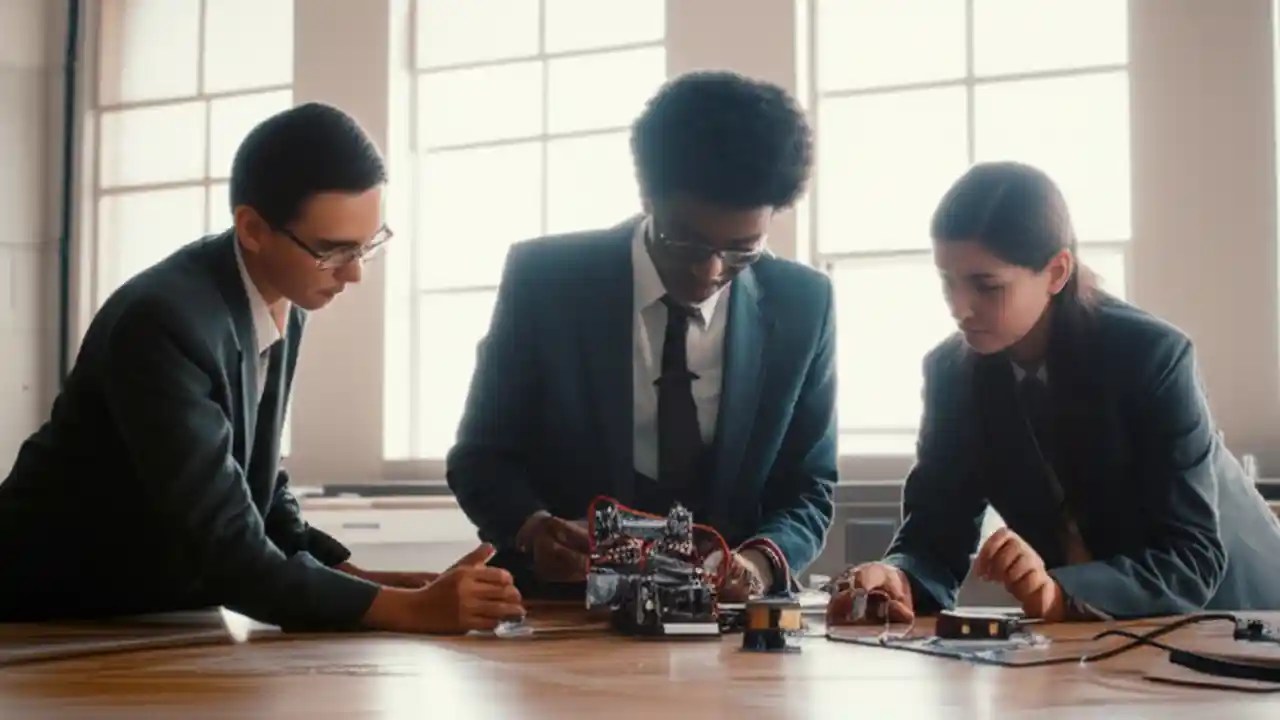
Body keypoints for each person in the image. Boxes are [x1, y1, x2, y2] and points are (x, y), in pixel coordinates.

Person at [0, 103, 523, 633]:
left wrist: (373, 585)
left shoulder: (284, 296)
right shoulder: (163, 321)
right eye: (332, 251)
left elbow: (256, 486)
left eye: (367, 246)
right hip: (42, 614)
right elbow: (227, 543)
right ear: (252, 228)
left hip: (150, 617)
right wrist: (407, 610)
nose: (355, 275)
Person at [828, 161, 1280, 624]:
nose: (959, 309)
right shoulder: (952, 373)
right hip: (1102, 635)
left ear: (1057, 271)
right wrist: (898, 576)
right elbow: (934, 533)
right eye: (948, 281)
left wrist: (1061, 592)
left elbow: (1190, 556)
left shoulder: (1153, 357)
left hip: (1241, 617)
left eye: (986, 286)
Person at [447, 71, 837, 601]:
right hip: (562, 615)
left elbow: (809, 487)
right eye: (686, 243)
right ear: (647, 197)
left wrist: (759, 563)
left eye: (742, 250)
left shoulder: (804, 303)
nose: (710, 272)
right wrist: (534, 530)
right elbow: (480, 457)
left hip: (730, 622)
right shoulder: (546, 281)